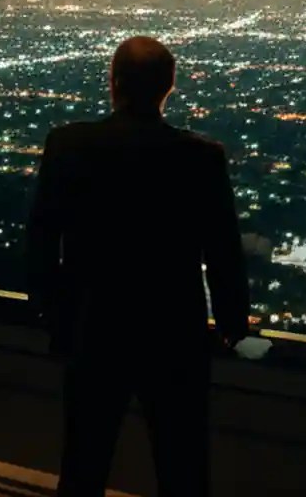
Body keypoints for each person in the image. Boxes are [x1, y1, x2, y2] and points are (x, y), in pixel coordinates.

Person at [26, 35, 249, 496]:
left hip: (92, 328)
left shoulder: (68, 145)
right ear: (169, 88)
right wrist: (232, 323)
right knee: (182, 466)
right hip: (173, 331)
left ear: (113, 84)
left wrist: (51, 311)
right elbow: (223, 249)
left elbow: (42, 237)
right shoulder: (201, 157)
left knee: (84, 463)